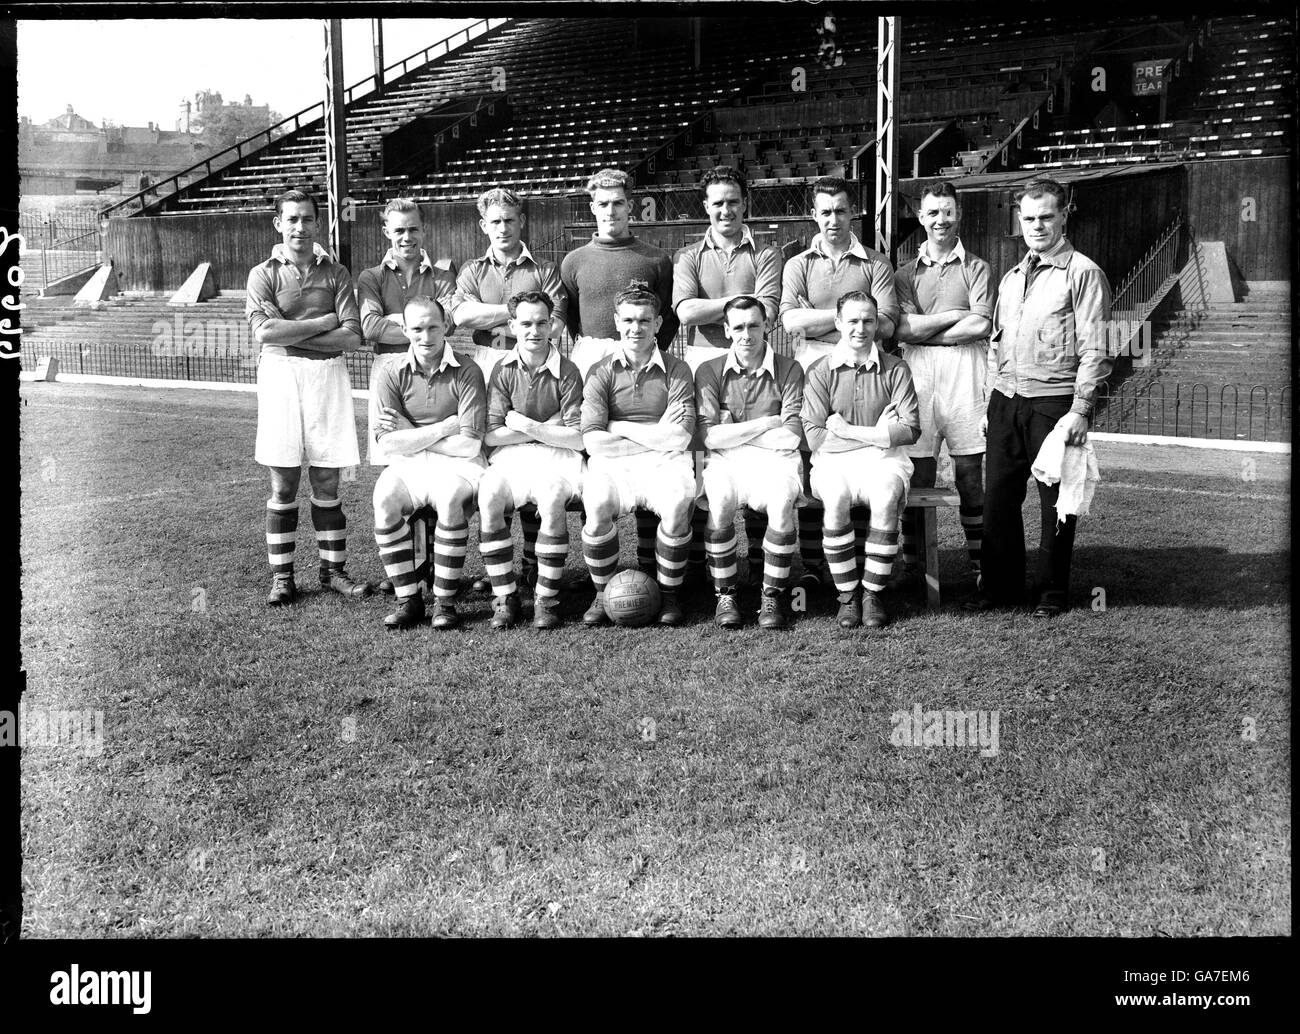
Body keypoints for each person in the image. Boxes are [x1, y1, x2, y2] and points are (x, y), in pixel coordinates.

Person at [969, 177, 1112, 618]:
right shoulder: (1012, 277)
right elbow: (996, 344)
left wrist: (1080, 410)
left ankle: (1051, 594)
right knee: (998, 500)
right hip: (1006, 400)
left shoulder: (1083, 273)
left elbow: (1095, 350)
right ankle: (1000, 589)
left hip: (1054, 404)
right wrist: (991, 402)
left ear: (1064, 214)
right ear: (1019, 219)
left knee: (1056, 504)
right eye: (1029, 218)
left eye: (1046, 216)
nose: (1037, 225)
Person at [245, 187, 368, 606]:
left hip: (327, 377)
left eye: (307, 219)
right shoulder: (262, 273)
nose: (300, 226)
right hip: (279, 375)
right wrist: (323, 322)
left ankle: (333, 570)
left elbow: (351, 336)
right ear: (279, 224)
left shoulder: (337, 273)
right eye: (291, 219)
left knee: (327, 478)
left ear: (318, 224)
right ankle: (283, 577)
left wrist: (293, 330)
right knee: (283, 482)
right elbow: (264, 333)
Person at [780, 176, 900, 597]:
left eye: (841, 210)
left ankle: (867, 561)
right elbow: (789, 320)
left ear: (854, 213)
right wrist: (849, 317)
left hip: (864, 366)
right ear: (814, 215)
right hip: (812, 365)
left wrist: (832, 320)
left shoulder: (875, 263)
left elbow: (884, 324)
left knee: (864, 458)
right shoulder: (797, 263)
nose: (833, 219)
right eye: (825, 211)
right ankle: (815, 566)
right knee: (816, 459)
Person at [562, 167, 678, 583]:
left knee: (649, 453)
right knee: (594, 455)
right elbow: (572, 316)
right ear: (591, 208)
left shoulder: (655, 258)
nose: (610, 210)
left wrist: (644, 351)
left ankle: (651, 562)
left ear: (631, 205)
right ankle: (593, 567)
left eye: (618, 203)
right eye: (602, 204)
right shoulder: (574, 260)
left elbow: (666, 317)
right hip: (593, 357)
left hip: (642, 352)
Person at [450, 186, 568, 591]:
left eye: (510, 220)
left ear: (522, 222)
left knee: (531, 455)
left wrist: (505, 318)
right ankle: (494, 568)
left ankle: (532, 561)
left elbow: (555, 323)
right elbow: (462, 316)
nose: (503, 227)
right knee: (490, 458)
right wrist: (522, 312)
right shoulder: (471, 269)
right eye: (495, 221)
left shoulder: (544, 268)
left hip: (531, 361)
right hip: (487, 363)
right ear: (484, 226)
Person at [672, 165, 783, 591]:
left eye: (732, 201)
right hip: (706, 362)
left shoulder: (766, 254)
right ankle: (704, 567)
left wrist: (718, 307)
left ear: (744, 203)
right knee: (705, 462)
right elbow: (685, 312)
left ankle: (758, 562)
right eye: (717, 202)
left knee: (756, 452)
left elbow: (768, 309)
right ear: (705, 206)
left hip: (756, 362)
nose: (725, 210)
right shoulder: (689, 256)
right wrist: (742, 307)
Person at [894, 180, 993, 589]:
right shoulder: (904, 272)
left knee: (969, 472)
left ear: (959, 214)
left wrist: (923, 330)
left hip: (966, 371)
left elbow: (982, 323)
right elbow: (902, 327)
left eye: (947, 211)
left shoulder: (978, 267)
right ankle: (914, 564)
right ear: (921, 217)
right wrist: (955, 316)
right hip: (917, 372)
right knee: (917, 475)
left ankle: (981, 565)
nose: (941, 219)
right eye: (932, 212)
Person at [801, 291, 920, 629]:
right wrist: (879, 435)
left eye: (868, 320)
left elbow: (910, 429)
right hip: (833, 463)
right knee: (836, 497)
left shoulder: (896, 368)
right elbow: (814, 437)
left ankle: (872, 593)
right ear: (838, 323)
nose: (860, 328)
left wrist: (848, 430)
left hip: (886, 462)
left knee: (884, 496)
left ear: (877, 323)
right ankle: (847, 595)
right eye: (852, 320)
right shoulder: (820, 370)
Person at [579, 285, 696, 627]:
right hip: (613, 462)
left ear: (658, 323)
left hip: (665, 462)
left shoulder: (678, 370)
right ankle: (602, 593)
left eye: (644, 320)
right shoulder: (600, 372)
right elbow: (594, 443)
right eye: (628, 320)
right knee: (598, 503)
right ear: (616, 322)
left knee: (677, 504)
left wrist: (618, 426)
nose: (636, 328)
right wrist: (655, 434)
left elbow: (680, 437)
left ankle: (669, 594)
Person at [370, 296, 487, 631]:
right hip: (411, 461)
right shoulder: (391, 372)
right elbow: (388, 442)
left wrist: (415, 431)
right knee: (385, 498)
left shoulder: (467, 370)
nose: (425, 336)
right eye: (417, 328)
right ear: (404, 330)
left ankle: (444, 603)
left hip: (459, 464)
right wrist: (445, 426)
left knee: (450, 498)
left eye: (433, 326)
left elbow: (469, 445)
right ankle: (409, 599)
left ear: (446, 326)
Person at [695, 296, 805, 629]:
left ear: (767, 326)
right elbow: (710, 439)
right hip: (726, 459)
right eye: (739, 327)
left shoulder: (790, 368)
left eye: (753, 325)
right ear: (726, 330)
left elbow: (792, 438)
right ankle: (725, 595)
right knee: (721, 502)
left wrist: (732, 429)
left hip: (777, 457)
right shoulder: (709, 370)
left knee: (782, 504)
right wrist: (768, 422)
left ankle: (771, 597)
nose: (747, 335)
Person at [477, 291, 585, 630]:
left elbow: (578, 437)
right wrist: (547, 427)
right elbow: (492, 435)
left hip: (559, 456)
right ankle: (505, 597)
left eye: (542, 322)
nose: (534, 331)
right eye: (525, 323)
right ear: (512, 326)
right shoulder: (502, 369)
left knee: (553, 498)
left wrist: (525, 424)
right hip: (513, 455)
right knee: (490, 494)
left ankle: (545, 600)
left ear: (552, 324)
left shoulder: (567, 370)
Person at [356, 199, 457, 471]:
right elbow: (370, 327)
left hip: (434, 371)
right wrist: (427, 326)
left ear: (424, 230)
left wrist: (392, 320)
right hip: (388, 368)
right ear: (386, 231)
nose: (407, 237)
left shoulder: (443, 275)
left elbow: (450, 323)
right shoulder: (371, 277)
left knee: (437, 454)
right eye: (399, 230)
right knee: (393, 456)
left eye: (413, 229)